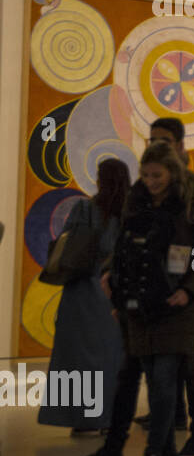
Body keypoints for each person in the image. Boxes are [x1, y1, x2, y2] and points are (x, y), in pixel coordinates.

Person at [106, 143, 194, 456]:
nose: (150, 181)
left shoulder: (193, 202)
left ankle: (153, 455)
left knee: (163, 377)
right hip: (141, 301)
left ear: (173, 172)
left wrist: (190, 288)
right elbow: (124, 244)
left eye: (156, 175)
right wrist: (116, 285)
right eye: (145, 175)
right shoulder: (137, 198)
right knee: (152, 377)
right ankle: (168, 452)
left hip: (178, 305)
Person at [134, 117, 194, 456]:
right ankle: (171, 423)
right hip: (154, 294)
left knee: (189, 364)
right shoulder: (146, 191)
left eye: (163, 140)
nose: (155, 145)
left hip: (185, 293)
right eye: (151, 140)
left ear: (180, 145)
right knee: (158, 364)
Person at [39, 158, 130, 436]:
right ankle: (109, 417)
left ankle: (84, 418)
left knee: (77, 359)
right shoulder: (129, 216)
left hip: (81, 291)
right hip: (114, 295)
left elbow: (67, 248)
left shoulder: (85, 209)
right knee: (112, 358)